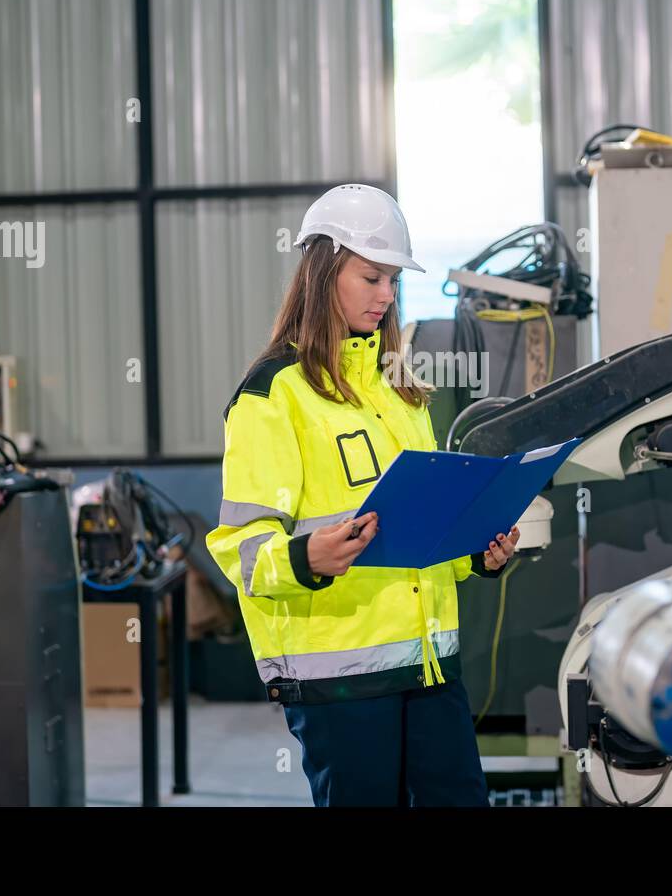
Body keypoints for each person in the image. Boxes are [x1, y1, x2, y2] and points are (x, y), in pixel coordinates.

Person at [207, 184, 520, 806]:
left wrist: (475, 552)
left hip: (430, 666)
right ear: (323, 272)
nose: (386, 295)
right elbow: (241, 549)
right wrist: (305, 558)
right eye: (372, 277)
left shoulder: (398, 388)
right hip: (339, 680)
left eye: (392, 281)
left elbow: (421, 536)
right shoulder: (274, 395)